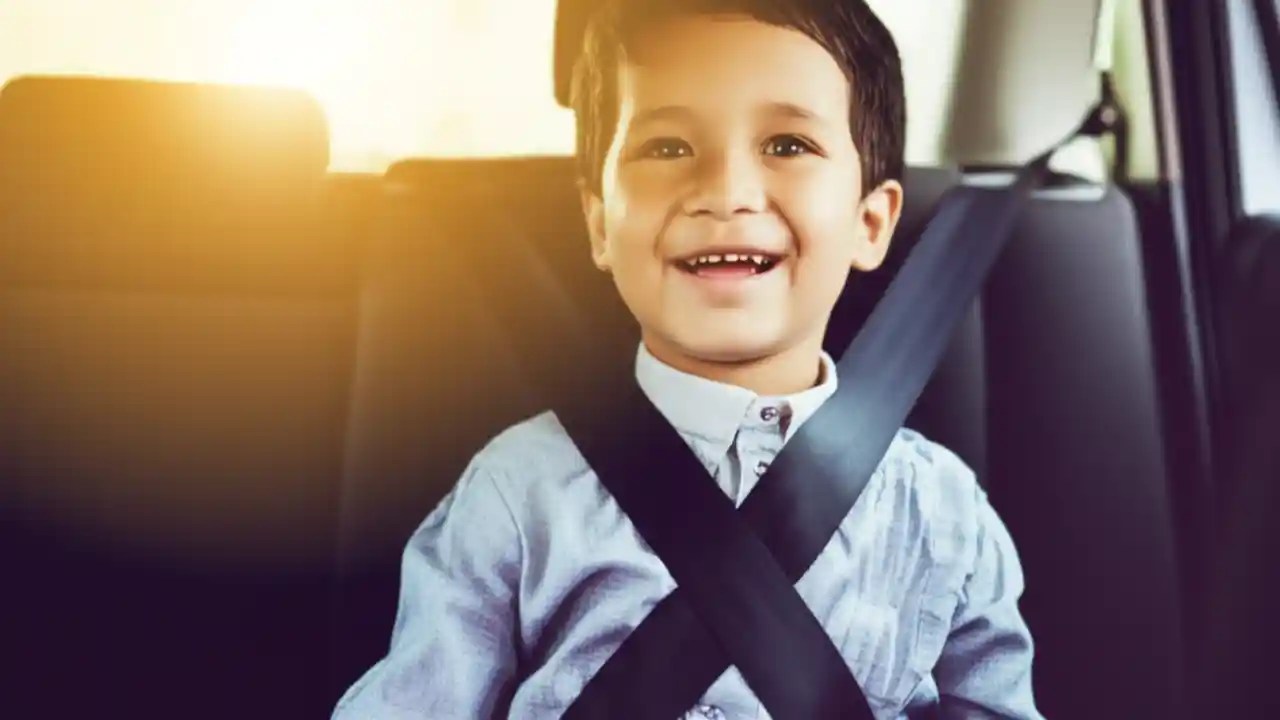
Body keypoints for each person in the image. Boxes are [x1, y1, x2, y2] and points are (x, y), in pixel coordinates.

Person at [333, 0, 1041, 717]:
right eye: (668, 147)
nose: (725, 192)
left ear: (870, 222)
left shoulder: (942, 515)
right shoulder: (518, 496)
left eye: (788, 145)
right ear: (600, 222)